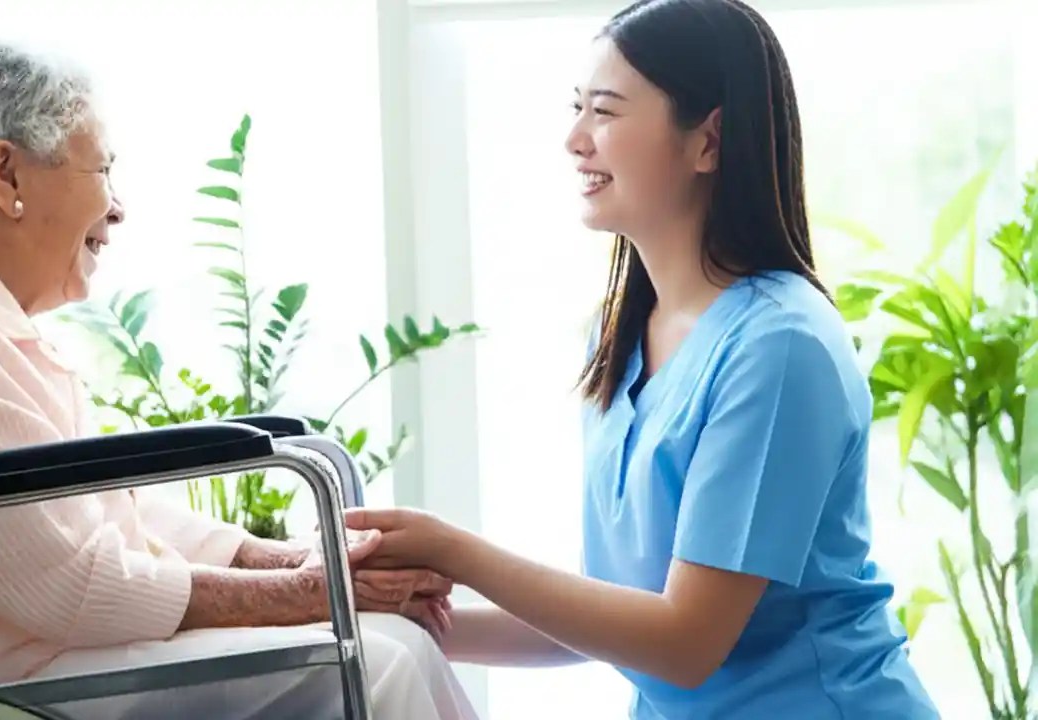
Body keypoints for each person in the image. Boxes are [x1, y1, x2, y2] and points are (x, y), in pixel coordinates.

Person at [0, 36, 476, 719]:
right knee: (378, 663)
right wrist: (315, 592)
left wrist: (286, 562)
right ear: (7, 176)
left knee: (391, 639)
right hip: (29, 685)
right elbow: (72, 587)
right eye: (103, 168)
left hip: (61, 660)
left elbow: (107, 511)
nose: (118, 207)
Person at [345, 1, 941, 718]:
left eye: (605, 111)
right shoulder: (620, 335)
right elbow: (623, 613)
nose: (574, 139)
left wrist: (456, 552)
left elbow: (685, 642)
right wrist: (402, 629)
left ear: (709, 141)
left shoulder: (780, 348)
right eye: (577, 108)